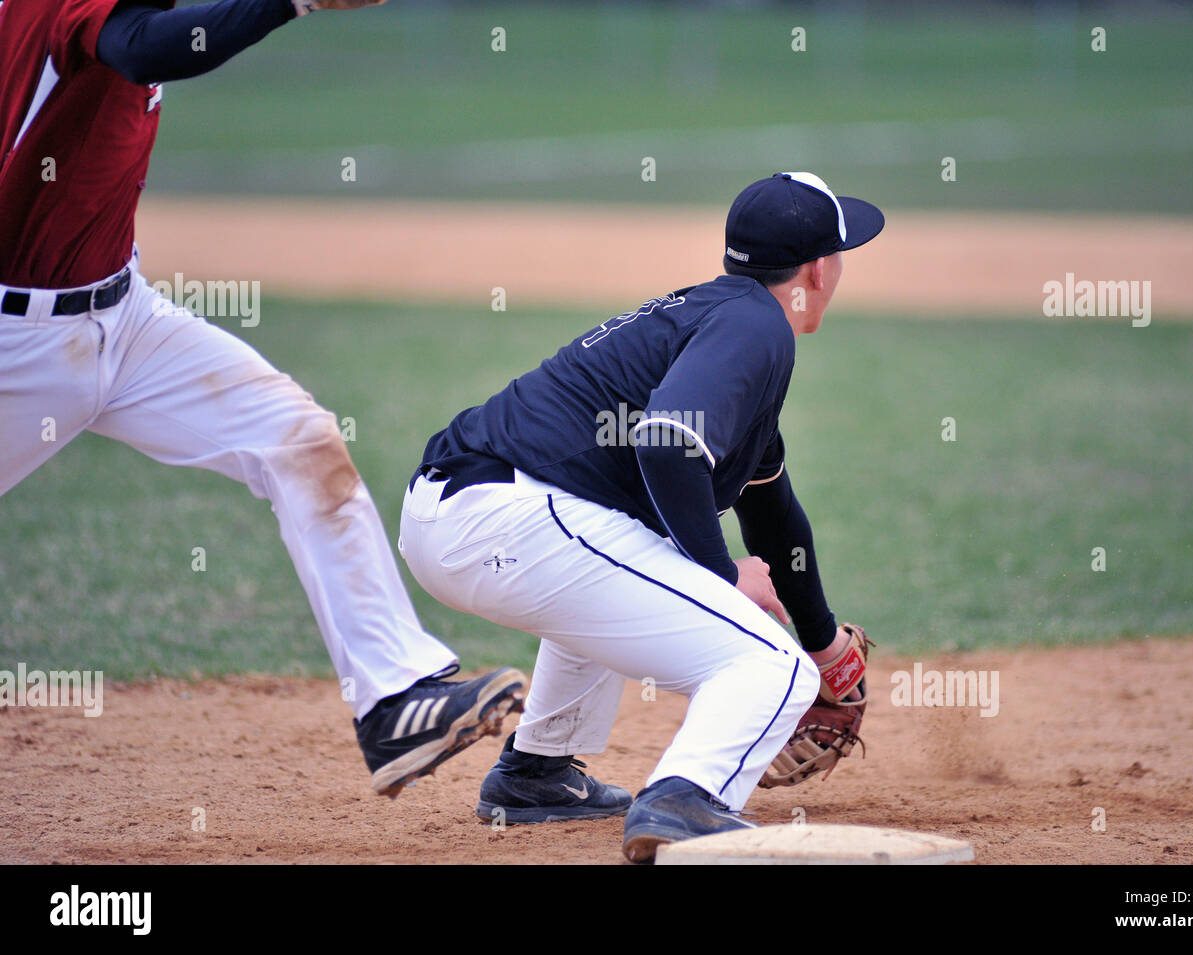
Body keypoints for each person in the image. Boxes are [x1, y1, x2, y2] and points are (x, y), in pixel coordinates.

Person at [0, 0, 525, 797]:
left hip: (127, 318)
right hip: (19, 346)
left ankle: (394, 702)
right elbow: (146, 48)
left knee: (299, 439)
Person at [398, 172, 885, 862]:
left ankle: (536, 773)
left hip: (466, 511)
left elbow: (771, 507)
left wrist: (824, 638)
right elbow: (664, 436)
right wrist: (718, 576)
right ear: (818, 268)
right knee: (773, 669)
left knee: (629, 560)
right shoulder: (756, 328)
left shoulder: (726, 318)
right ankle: (684, 798)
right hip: (506, 518)